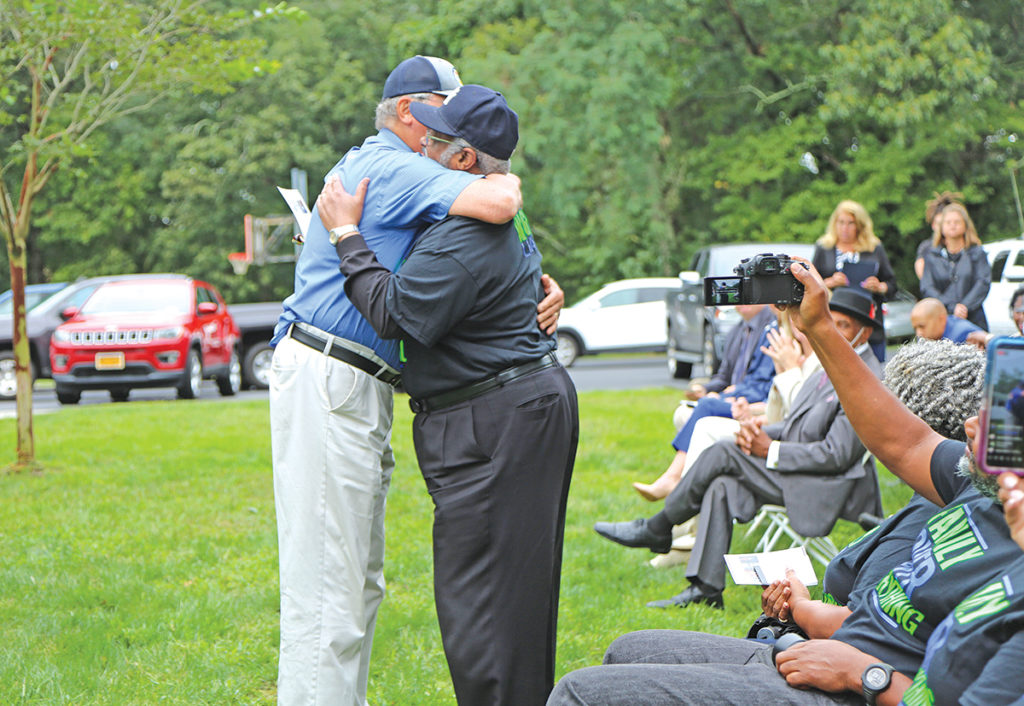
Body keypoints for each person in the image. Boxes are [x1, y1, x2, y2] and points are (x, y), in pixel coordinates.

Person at [545, 262, 1024, 705]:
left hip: (849, 685)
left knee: (580, 694)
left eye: (1002, 422)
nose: (969, 428)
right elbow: (903, 442)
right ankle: (668, 531)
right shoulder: (984, 487)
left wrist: (867, 675)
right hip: (825, 650)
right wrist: (815, 325)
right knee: (629, 650)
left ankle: (663, 526)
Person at [268, 57, 561, 706]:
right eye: (434, 115)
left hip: (352, 379)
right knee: (328, 595)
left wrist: (538, 284)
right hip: (332, 373)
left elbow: (498, 237)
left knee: (354, 588)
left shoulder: (406, 168)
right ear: (407, 113)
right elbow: (502, 195)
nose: (437, 132)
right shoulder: (396, 166)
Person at [594, 288, 883, 610]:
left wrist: (769, 449)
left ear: (865, 331)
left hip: (827, 486)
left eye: (843, 325)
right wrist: (756, 430)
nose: (833, 331)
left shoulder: (868, 378)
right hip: (798, 471)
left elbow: (836, 455)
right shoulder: (835, 362)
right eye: (833, 322)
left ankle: (659, 527)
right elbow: (800, 426)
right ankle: (705, 588)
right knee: (722, 484)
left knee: (724, 452)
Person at [633, 305, 776, 501]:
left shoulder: (772, 329)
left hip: (755, 407)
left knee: (705, 410)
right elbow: (725, 376)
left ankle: (676, 481)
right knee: (684, 412)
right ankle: (689, 486)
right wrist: (707, 389)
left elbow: (759, 385)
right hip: (738, 399)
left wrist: (725, 397)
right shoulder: (737, 330)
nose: (739, 298)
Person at [812, 199, 896, 362]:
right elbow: (811, 282)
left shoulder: (874, 247)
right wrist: (830, 283)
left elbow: (892, 284)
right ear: (834, 223)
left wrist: (879, 286)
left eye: (851, 223)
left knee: (874, 372)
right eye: (841, 222)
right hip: (835, 319)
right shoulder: (824, 248)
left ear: (860, 225)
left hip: (868, 320)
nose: (845, 228)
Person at [920, 202, 991, 330]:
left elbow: (983, 283)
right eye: (948, 222)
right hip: (943, 321)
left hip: (974, 319)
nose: (953, 225)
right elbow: (927, 287)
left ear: (965, 225)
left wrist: (964, 306)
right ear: (941, 227)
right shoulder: (931, 256)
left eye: (957, 221)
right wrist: (951, 307)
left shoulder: (977, 253)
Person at [915, 191, 962, 280]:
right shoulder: (926, 248)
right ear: (933, 225)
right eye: (940, 223)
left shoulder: (965, 247)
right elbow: (923, 277)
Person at [909, 297, 984, 343]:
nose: (918, 333)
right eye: (915, 328)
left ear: (941, 319)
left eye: (922, 326)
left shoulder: (962, 335)